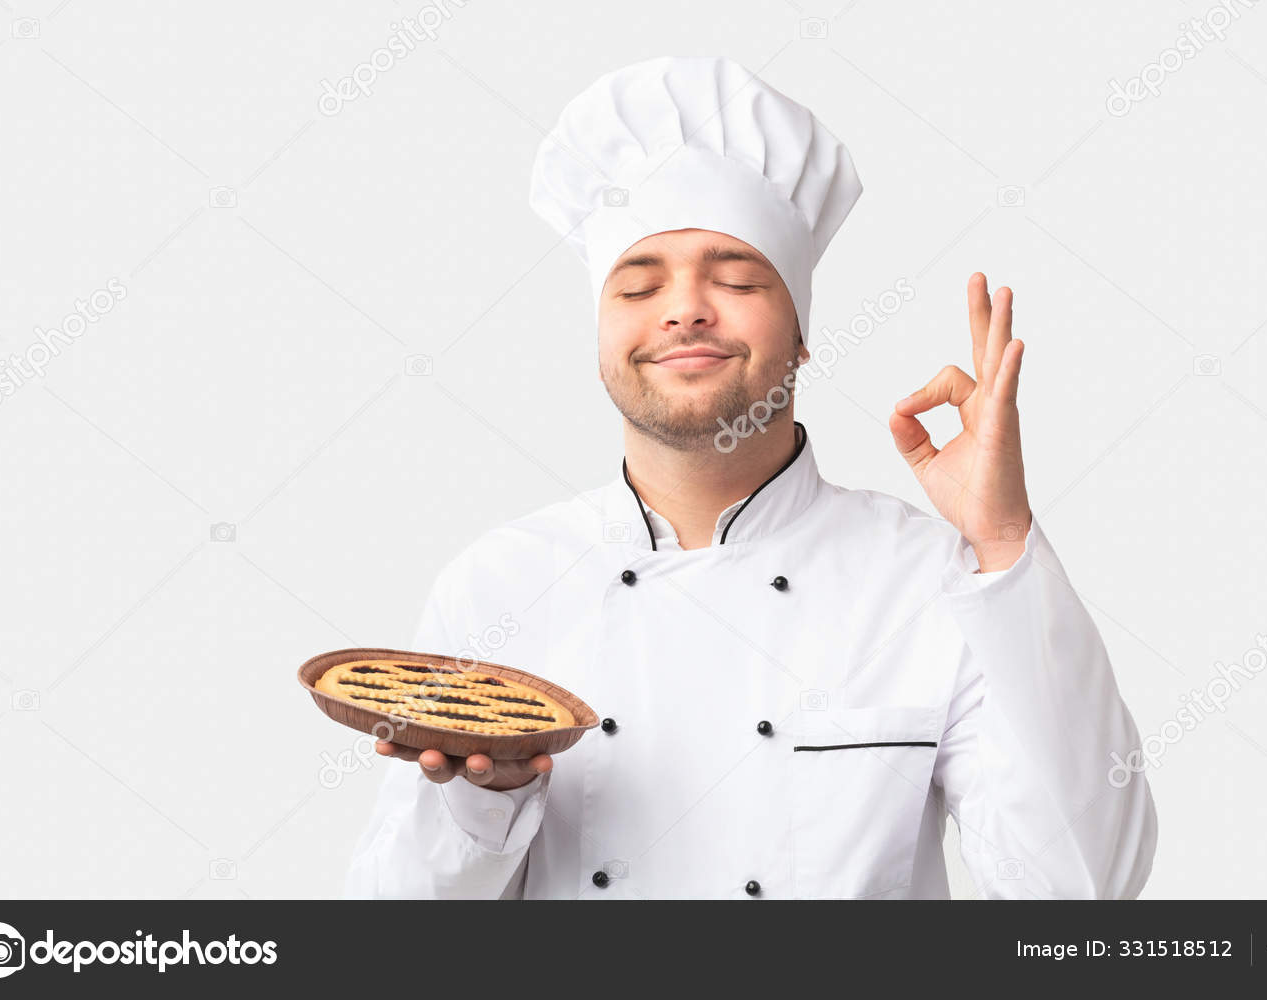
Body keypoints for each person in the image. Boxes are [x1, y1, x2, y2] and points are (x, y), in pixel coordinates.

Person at [343, 55, 1157, 899]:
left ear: (802, 331)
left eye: (736, 278)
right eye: (638, 284)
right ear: (600, 338)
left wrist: (1003, 542)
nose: (685, 308)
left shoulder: (929, 578)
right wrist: (487, 801)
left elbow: (1080, 892)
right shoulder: (498, 584)